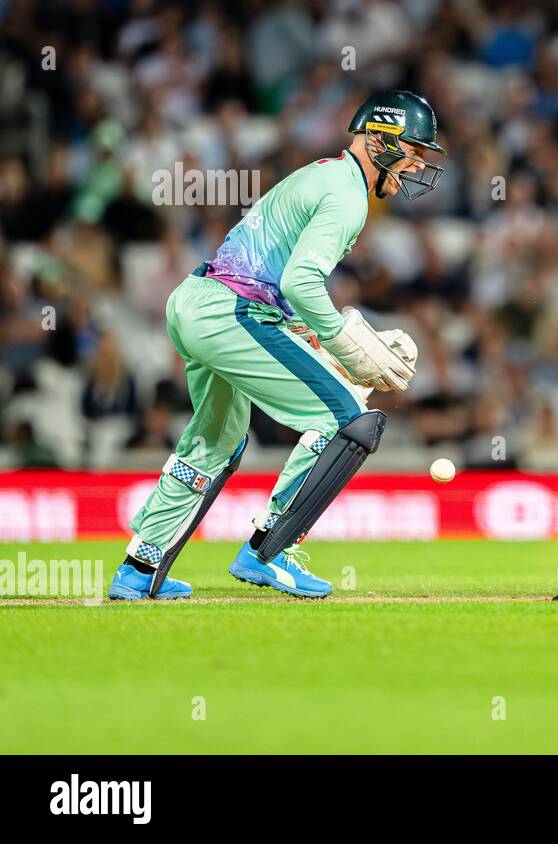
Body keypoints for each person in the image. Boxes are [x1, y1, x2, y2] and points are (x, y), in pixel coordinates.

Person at [108, 90, 446, 600]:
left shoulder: (323, 174)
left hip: (198, 302)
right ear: (379, 139)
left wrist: (305, 331)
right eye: (414, 150)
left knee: (215, 440)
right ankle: (269, 550)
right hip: (232, 312)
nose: (418, 164)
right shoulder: (347, 193)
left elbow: (272, 272)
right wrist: (339, 339)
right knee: (348, 419)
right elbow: (301, 280)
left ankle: (140, 566)